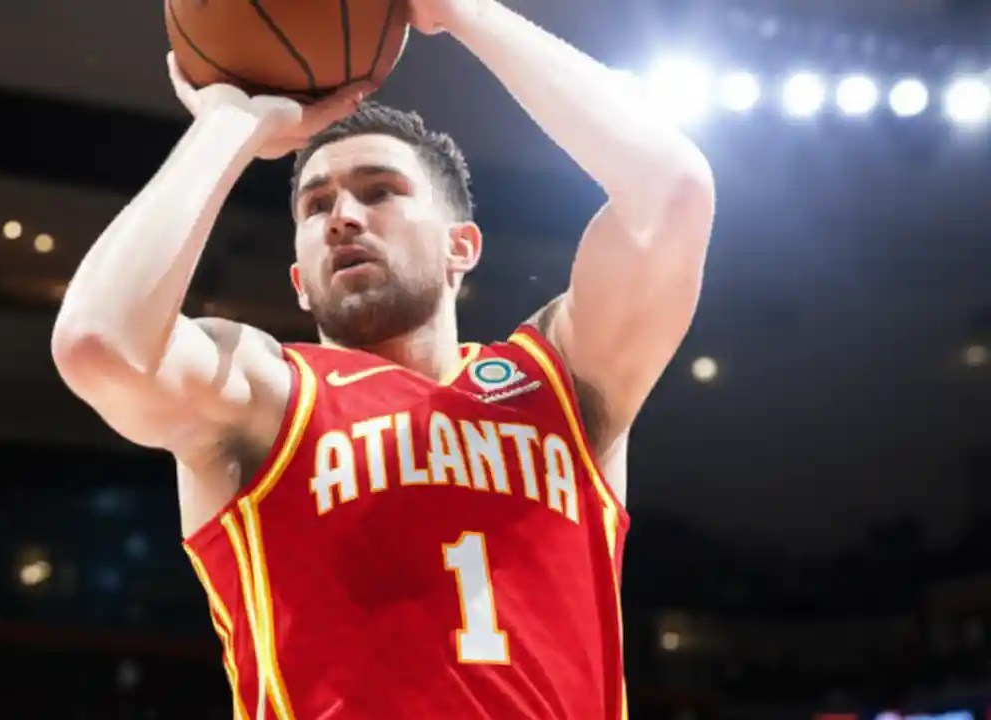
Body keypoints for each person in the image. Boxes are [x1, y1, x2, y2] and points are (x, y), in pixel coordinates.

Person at [51, 0, 714, 717]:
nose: (343, 216)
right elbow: (98, 344)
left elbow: (672, 191)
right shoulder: (269, 397)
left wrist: (465, 11)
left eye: (380, 191)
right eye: (316, 206)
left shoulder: (560, 381)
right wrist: (230, 125)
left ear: (461, 246)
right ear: (299, 281)